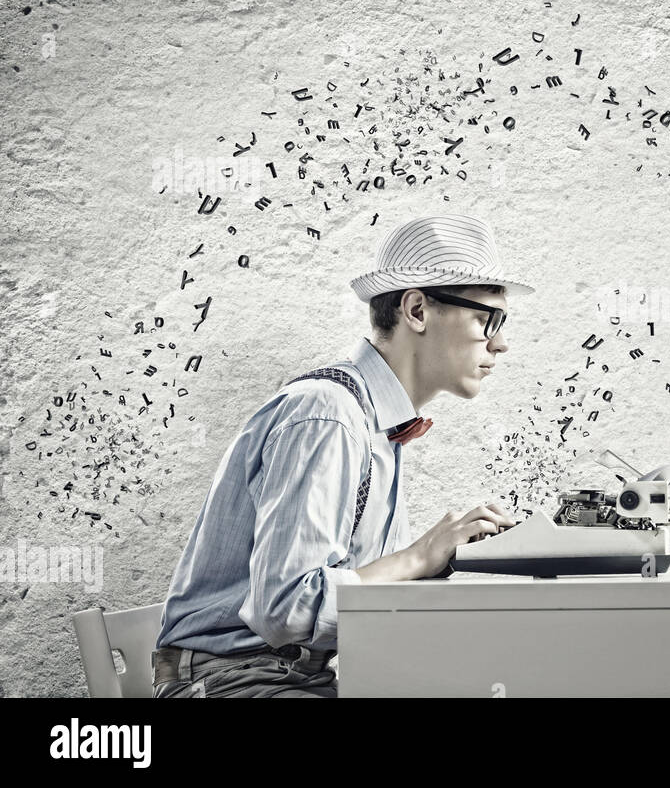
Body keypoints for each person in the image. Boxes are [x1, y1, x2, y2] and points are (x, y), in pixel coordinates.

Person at [152, 214, 534, 697]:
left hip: (295, 679)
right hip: (231, 681)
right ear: (416, 310)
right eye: (487, 319)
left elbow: (357, 601)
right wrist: (419, 555)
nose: (501, 343)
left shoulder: (378, 424)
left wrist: (448, 561)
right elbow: (285, 610)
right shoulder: (327, 416)